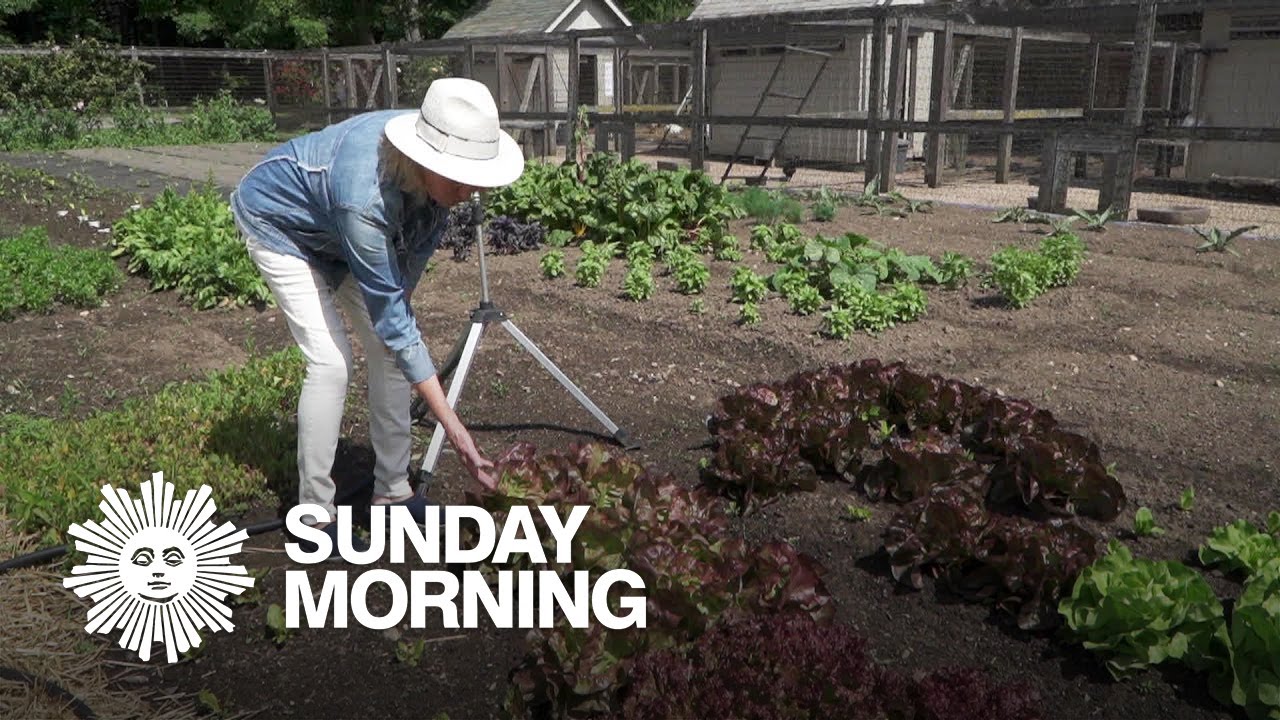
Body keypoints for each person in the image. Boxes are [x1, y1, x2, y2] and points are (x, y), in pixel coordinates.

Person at [231, 78, 525, 555]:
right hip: (283, 224)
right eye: (457, 179)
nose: (467, 188)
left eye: (474, 178)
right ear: (423, 162)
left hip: (338, 230)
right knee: (331, 363)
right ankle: (314, 513)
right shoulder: (364, 196)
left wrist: (403, 342)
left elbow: (397, 306)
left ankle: (392, 492)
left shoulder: (439, 185)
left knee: (391, 353)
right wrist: (453, 426)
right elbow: (390, 313)